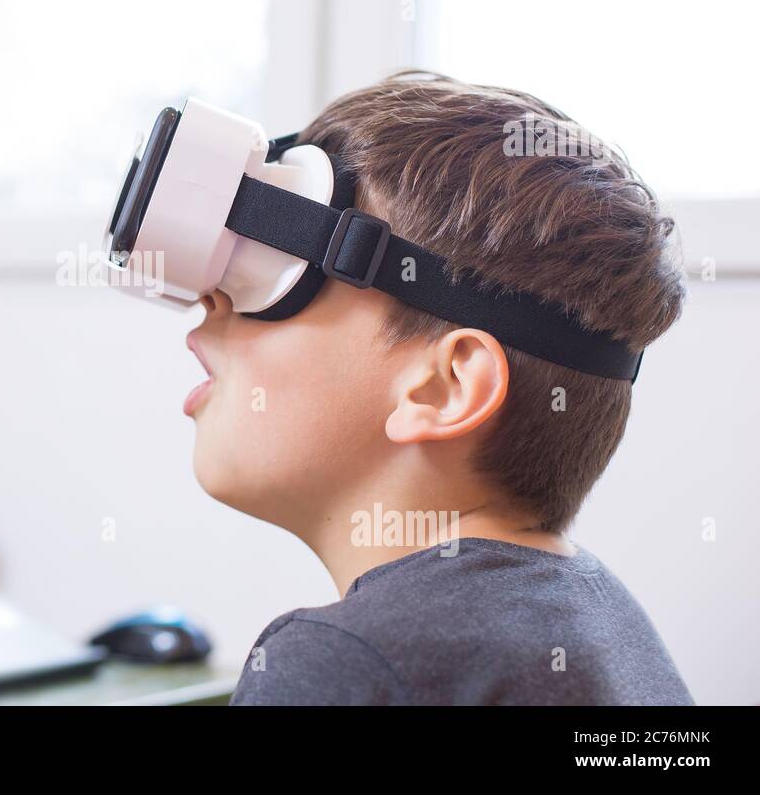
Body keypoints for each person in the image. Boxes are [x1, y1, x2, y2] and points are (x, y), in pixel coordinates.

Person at [182, 73, 693, 704]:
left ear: (446, 386)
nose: (212, 303)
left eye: (282, 277)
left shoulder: (344, 665)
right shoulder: (612, 629)